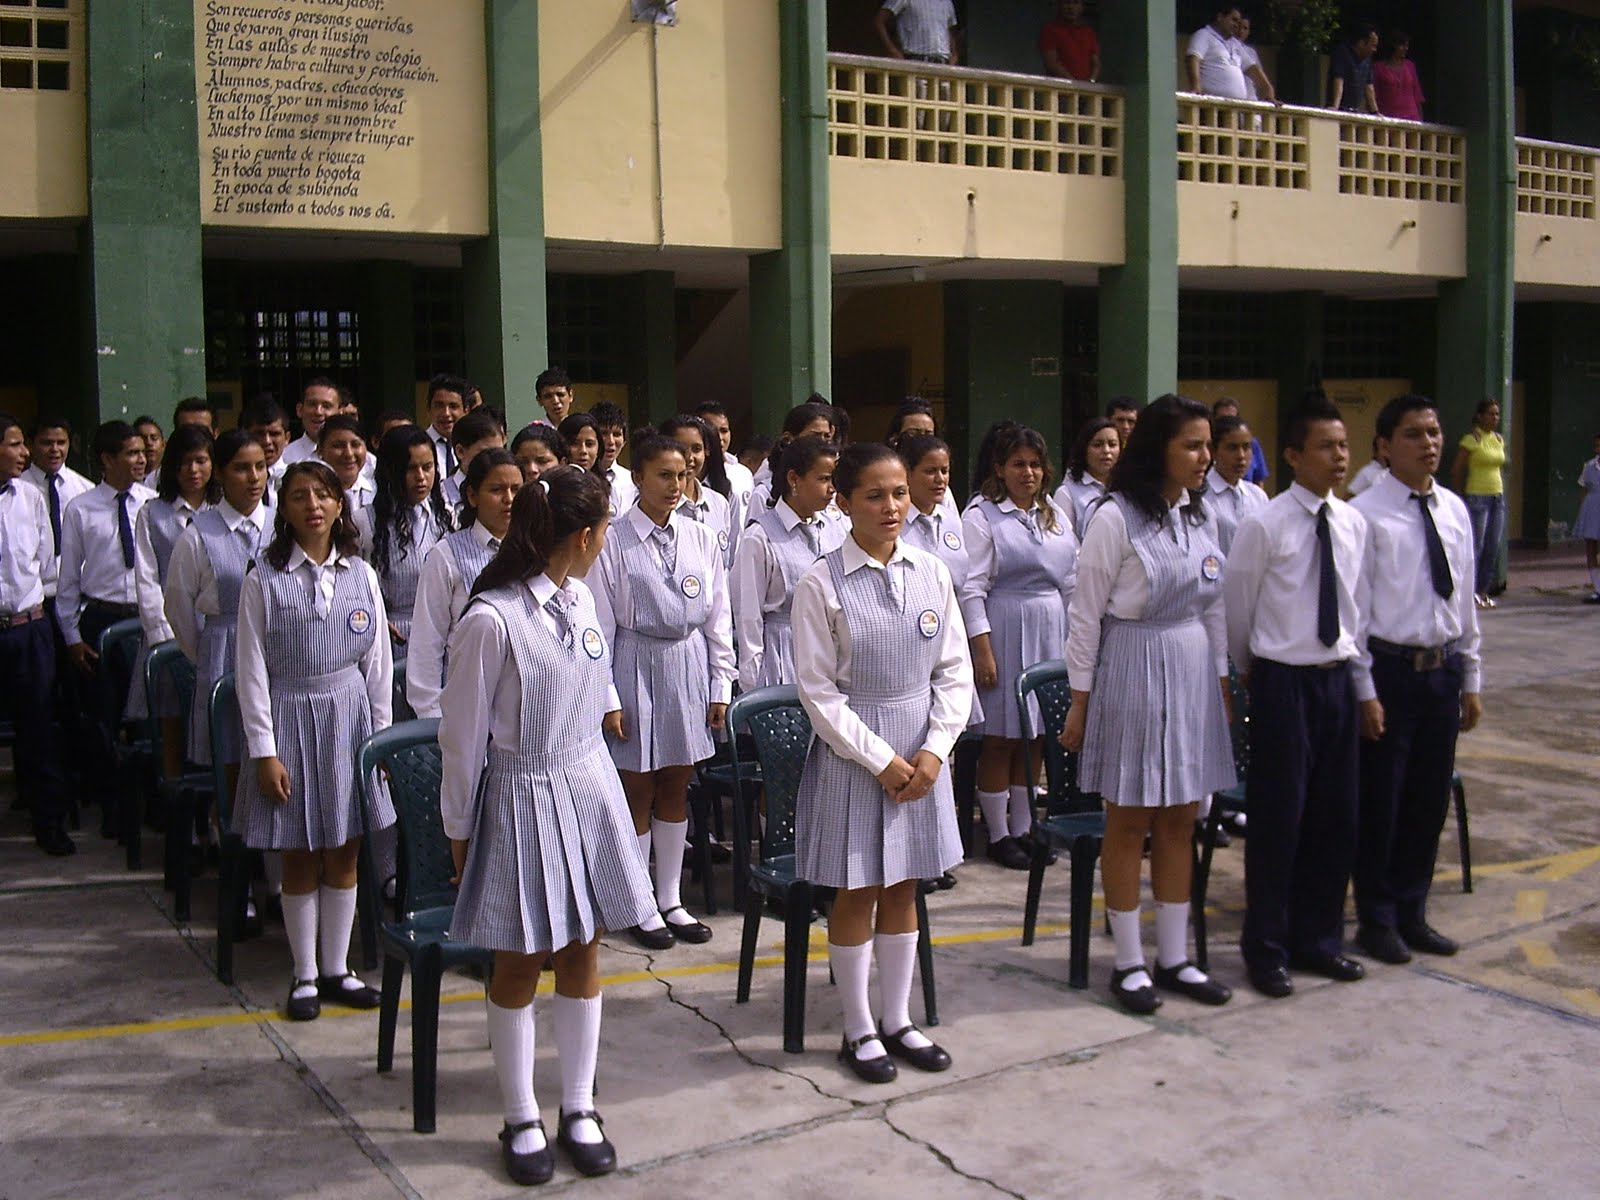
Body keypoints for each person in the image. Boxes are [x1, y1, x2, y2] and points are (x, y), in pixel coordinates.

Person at [440, 466, 655, 1184]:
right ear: (585, 535)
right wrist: (459, 831)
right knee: (519, 959)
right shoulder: (491, 619)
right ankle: (521, 1113)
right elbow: (461, 739)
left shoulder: (581, 598)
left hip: (586, 786)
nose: (605, 543)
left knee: (583, 949)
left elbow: (593, 682)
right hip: (522, 796)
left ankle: (579, 1105)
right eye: (605, 531)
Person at [793, 442, 970, 1083]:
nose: (891, 506)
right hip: (855, 757)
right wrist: (881, 760)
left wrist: (935, 750)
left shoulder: (932, 572)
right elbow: (818, 692)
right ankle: (858, 1027)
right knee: (858, 888)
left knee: (905, 886)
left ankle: (898, 1019)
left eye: (898, 493)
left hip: (922, 755)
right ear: (843, 502)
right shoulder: (821, 583)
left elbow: (954, 670)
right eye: (874, 495)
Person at [1061, 395, 1235, 1013]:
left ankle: (1176, 957)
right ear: (1159, 448)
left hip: (1190, 666)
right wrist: (1080, 699)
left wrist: (1220, 680)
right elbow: (1085, 615)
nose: (1204, 457)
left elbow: (1214, 605)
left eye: (1208, 445)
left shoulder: (1200, 514)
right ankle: (1130, 961)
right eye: (1192, 445)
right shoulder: (1114, 517)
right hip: (1133, 664)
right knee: (1130, 818)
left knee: (1182, 816)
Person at [233, 460, 392, 1022]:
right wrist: (264, 750)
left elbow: (378, 667)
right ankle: (303, 974)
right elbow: (250, 669)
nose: (313, 505)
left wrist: (379, 743)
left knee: (345, 848)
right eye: (299, 496)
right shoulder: (264, 577)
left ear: (339, 504)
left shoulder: (361, 574)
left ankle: (337, 968)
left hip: (348, 720)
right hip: (291, 719)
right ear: (285, 509)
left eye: (323, 495)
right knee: (299, 851)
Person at [1224, 397, 1369, 999]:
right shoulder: (1267, 523)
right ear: (1291, 455)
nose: (1339, 457)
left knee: (1335, 818)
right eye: (1325, 447)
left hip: (1336, 679)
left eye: (1343, 445)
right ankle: (1267, 947)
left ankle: (1320, 939)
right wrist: (1250, 671)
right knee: (1280, 820)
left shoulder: (1352, 523)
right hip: (1282, 680)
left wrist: (1362, 688)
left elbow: (1357, 609)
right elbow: (1238, 607)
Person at [1350, 394, 1483, 967]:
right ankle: (1376, 918)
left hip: (1441, 670)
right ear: (1384, 446)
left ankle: (1412, 909)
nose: (1428, 443)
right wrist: (1364, 690)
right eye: (1413, 434)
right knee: (1383, 799)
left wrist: (1471, 674)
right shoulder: (1364, 514)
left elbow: (1465, 600)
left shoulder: (1453, 509)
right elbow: (1354, 613)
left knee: (1428, 800)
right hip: (1389, 670)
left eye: (1433, 432)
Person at [591, 434, 734, 950]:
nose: (675, 485)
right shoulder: (614, 540)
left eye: (682, 476)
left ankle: (670, 898)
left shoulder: (700, 536)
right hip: (634, 662)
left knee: (677, 781)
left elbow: (719, 616)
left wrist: (720, 682)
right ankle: (638, 901)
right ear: (638, 479)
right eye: (664, 476)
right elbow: (601, 623)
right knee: (638, 786)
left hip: (686, 663)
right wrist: (607, 696)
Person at [961, 427, 1077, 870]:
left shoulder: (1054, 515)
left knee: (1035, 736)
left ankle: (1026, 828)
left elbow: (1072, 580)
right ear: (999, 469)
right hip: (1005, 627)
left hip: (1051, 628)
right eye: (1018, 464)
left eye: (1034, 464)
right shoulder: (983, 515)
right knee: (1001, 738)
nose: (1028, 473)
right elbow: (973, 589)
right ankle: (998, 833)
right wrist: (983, 651)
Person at [164, 430, 270, 854]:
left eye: (260, 467)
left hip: (277, 652)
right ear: (221, 475)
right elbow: (178, 605)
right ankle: (234, 852)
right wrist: (208, 652)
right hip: (224, 649)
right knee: (231, 758)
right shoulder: (198, 534)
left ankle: (273, 860)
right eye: (242, 468)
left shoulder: (281, 523)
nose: (254, 477)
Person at [57, 421, 153, 832]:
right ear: (107, 459)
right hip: (102, 618)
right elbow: (68, 582)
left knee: (149, 716)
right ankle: (114, 807)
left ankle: (153, 804)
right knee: (105, 717)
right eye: (131, 453)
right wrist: (72, 637)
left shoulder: (151, 503)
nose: (141, 460)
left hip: (146, 619)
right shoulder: (81, 508)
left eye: (143, 452)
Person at [0, 412, 73, 856]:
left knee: (39, 731)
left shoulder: (29, 497)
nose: (24, 453)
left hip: (29, 629)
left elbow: (45, 564)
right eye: (14, 444)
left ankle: (49, 824)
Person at [129, 424, 217, 781]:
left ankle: (215, 797)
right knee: (172, 715)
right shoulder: (153, 513)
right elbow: (147, 580)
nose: (192, 470)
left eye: (201, 461)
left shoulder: (222, 510)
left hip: (215, 628)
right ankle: (174, 790)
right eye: (183, 462)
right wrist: (165, 636)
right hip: (169, 631)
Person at [407, 449, 522, 719]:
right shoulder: (446, 555)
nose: (508, 499)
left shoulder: (533, 550)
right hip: (466, 704)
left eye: (516, 489)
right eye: (496, 490)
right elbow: (427, 641)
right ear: (472, 496)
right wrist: (431, 715)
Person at [734, 437, 844, 692]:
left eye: (834, 480)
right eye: (824, 479)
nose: (832, 489)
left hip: (828, 656)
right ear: (794, 479)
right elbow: (748, 617)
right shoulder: (760, 536)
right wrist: (751, 685)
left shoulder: (835, 529)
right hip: (781, 655)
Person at [357, 425, 453, 647]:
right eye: (410, 469)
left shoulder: (447, 517)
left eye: (427, 467)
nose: (421, 477)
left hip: (443, 633)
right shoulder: (365, 522)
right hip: (392, 636)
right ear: (390, 470)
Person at [21, 415, 93, 591]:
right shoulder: (17, 490)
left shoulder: (85, 489)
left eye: (61, 443)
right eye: (46, 443)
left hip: (79, 587)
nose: (55, 449)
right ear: (30, 445)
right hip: (34, 591)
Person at [660, 414, 739, 568]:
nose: (689, 457)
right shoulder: (660, 506)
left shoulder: (719, 503)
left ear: (706, 450)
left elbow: (727, 565)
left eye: (696, 449)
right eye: (681, 449)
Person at [1450, 398, 1507, 609]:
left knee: (1493, 545)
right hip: (1477, 497)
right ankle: (1469, 592)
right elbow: (1456, 470)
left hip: (1497, 496)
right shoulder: (1471, 439)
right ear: (1480, 416)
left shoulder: (1499, 439)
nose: (1495, 418)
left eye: (1497, 414)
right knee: (1477, 546)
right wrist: (1461, 495)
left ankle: (1483, 590)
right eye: (1491, 414)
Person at [751, 402, 836, 510]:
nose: (822, 443)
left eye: (827, 437)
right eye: (814, 436)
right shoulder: (764, 492)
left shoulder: (833, 490)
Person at [1207, 414, 1270, 555]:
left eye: (1246, 447)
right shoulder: (1201, 496)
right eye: (1232, 448)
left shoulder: (1257, 496)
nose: (1241, 456)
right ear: (1213, 451)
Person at [1053, 416, 1120, 540]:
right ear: (1084, 449)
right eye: (1097, 445)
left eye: (1112, 445)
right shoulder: (1067, 493)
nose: (1106, 451)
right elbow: (1064, 542)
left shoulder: (1126, 488)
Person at [694, 399, 754, 513]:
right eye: (712, 430)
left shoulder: (743, 474)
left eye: (724, 431)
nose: (719, 437)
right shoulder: (690, 474)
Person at [439, 410, 505, 513]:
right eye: (486, 453)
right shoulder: (439, 497)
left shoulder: (508, 494)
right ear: (460, 451)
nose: (495, 460)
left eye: (500, 453)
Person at [1186, 7, 1248, 100]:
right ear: (1220, 17)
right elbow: (1193, 59)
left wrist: (1268, 90)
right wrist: (1195, 86)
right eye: (1234, 20)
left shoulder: (1235, 43)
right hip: (1212, 104)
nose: (1236, 25)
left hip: (1236, 105)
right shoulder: (1204, 35)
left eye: (1238, 23)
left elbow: (1253, 68)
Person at [317, 415, 375, 511]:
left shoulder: (379, 491)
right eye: (338, 446)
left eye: (355, 445)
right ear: (320, 450)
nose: (349, 454)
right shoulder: (311, 497)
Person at [875, 0, 959, 65]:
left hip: (943, 62)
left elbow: (949, 30)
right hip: (915, 60)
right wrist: (893, 51)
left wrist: (954, 54)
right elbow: (880, 21)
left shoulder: (946, 2)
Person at [590, 400, 638, 515]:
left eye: (617, 434)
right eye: (604, 433)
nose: (610, 441)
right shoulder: (580, 478)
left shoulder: (632, 481)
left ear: (624, 440)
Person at [280, 378, 341, 466]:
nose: (318, 412)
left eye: (326, 406)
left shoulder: (354, 457)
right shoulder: (285, 458)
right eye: (312, 404)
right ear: (300, 410)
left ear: (339, 413)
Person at [242, 396, 291, 505]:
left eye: (274, 434)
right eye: (259, 434)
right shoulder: (234, 480)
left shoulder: (296, 479)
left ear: (287, 438)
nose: (267, 441)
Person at [423, 374, 470, 479]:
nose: (446, 413)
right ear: (428, 409)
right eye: (439, 406)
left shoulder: (471, 448)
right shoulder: (418, 447)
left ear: (466, 411)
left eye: (453, 406)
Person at [1039, 0, 1098, 82]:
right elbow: (1052, 63)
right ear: (1060, 5)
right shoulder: (1050, 30)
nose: (1071, 7)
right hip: (1060, 87)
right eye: (1067, 2)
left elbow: (1095, 63)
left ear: (1082, 7)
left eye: (1075, 3)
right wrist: (1073, 84)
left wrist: (1091, 81)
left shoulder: (1088, 32)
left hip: (1085, 87)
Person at [1372, 29, 1425, 121]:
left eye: (1407, 46)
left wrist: (1421, 120)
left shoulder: (1410, 66)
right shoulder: (1378, 68)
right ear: (1394, 45)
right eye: (1402, 45)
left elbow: (1417, 94)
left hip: (1412, 117)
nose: (1406, 48)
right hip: (1388, 118)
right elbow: (1373, 94)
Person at [1329, 23, 1380, 114]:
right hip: (1341, 109)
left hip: (1354, 110)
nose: (1374, 50)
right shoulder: (1343, 53)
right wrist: (1335, 107)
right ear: (1361, 43)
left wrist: (1375, 112)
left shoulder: (1367, 60)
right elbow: (1339, 80)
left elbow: (1368, 86)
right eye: (1373, 46)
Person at [1574, 435, 1600, 602]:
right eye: (1597, 445)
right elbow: (1583, 488)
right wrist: (1583, 511)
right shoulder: (1589, 466)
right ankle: (1597, 588)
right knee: (1591, 547)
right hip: (1592, 508)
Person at [1234, 14, 1278, 104]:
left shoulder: (1251, 52)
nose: (1241, 31)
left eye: (1245, 28)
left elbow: (1258, 77)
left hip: (1251, 99)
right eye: (1238, 27)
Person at [132, 416, 166, 484]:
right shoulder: (123, 480)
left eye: (154, 438)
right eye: (143, 439)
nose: (149, 443)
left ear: (164, 444)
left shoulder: (173, 477)